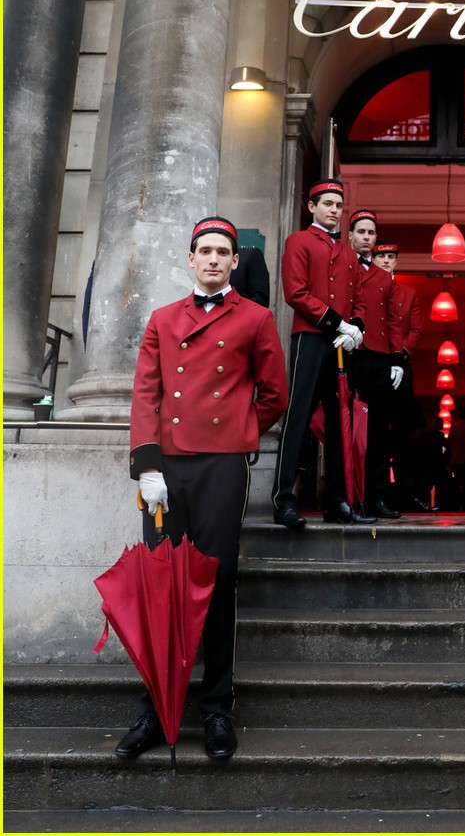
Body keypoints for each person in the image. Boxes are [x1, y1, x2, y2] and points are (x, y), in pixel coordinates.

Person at [120, 216, 288, 761]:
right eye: (205, 250)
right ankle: (155, 707)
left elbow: (274, 394)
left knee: (217, 581)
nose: (214, 259)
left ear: (236, 262)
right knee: (161, 582)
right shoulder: (163, 319)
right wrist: (147, 467)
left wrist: (237, 431)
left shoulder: (257, 318)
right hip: (165, 468)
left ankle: (217, 707)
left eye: (224, 252)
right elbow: (146, 395)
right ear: (190, 258)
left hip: (222, 467)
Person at [273, 179, 375, 528]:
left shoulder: (349, 253)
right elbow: (295, 293)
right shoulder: (298, 241)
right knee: (298, 417)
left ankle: (337, 501)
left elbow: (359, 296)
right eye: (327, 203)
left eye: (338, 205)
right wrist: (338, 323)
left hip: (341, 344)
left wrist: (357, 327)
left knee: (339, 422)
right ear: (312, 207)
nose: (334, 210)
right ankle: (283, 499)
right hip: (312, 337)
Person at [372, 241, 438, 513]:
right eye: (381, 256)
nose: (386, 261)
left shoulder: (407, 293)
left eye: (390, 257)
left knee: (403, 433)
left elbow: (416, 329)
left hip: (401, 365)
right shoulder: (362, 287)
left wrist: (400, 355)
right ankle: (374, 493)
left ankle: (407, 492)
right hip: (374, 364)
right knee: (375, 431)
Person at [348, 209, 403, 518]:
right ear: (351, 235)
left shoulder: (384, 277)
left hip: (380, 357)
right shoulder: (340, 266)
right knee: (349, 428)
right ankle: (348, 494)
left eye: (371, 233)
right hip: (351, 353)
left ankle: (376, 496)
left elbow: (394, 319)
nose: (367, 237)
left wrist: (397, 359)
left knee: (380, 430)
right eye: (362, 232)